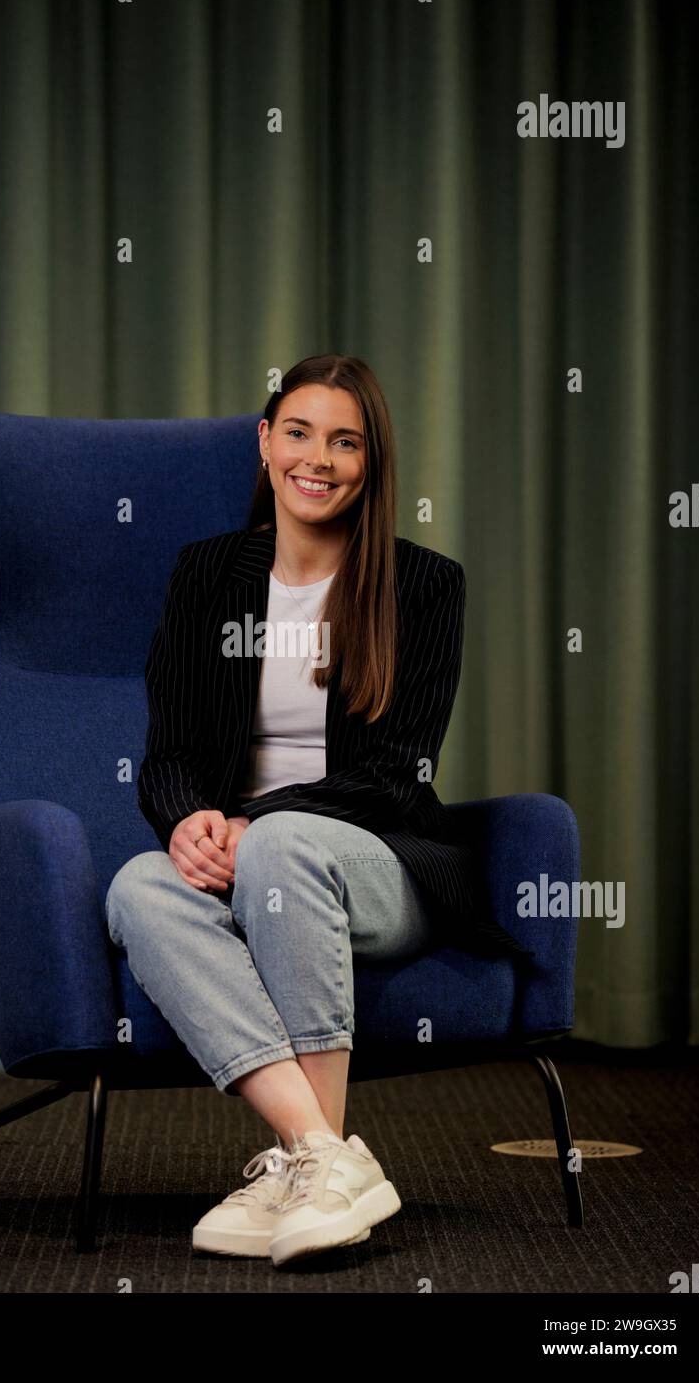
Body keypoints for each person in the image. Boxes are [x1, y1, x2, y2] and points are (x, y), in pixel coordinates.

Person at [105, 352, 531, 1268]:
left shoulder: (424, 585)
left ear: (372, 461)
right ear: (265, 443)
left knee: (288, 844)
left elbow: (395, 771)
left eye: (346, 441)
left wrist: (263, 823)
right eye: (298, 432)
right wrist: (189, 821)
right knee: (139, 887)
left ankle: (311, 1167)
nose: (318, 458)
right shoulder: (206, 575)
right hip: (248, 854)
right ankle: (319, 1157)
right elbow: (169, 750)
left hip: (380, 867)